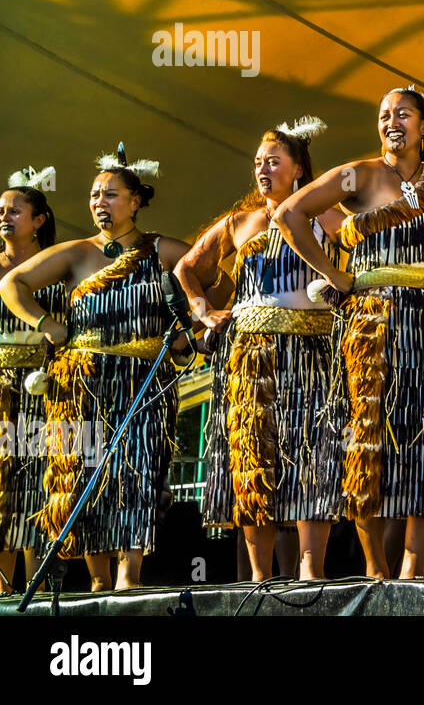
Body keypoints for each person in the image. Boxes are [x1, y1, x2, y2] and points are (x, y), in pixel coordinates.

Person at [275, 90, 424, 580]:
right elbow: (290, 215)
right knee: (366, 438)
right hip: (371, 322)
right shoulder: (360, 175)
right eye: (384, 115)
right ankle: (376, 567)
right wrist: (336, 275)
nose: (393, 122)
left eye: (404, 114)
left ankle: (413, 566)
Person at [0, 146, 191, 591]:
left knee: (137, 473)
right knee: (88, 477)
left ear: (136, 200)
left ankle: (129, 577)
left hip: (143, 382)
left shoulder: (162, 250)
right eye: (94, 195)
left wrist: (187, 332)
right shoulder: (76, 253)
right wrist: (46, 323)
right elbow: (14, 284)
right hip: (83, 386)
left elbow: (212, 277)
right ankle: (99, 580)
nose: (99, 202)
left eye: (110, 194)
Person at [174, 117, 345, 581]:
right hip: (249, 352)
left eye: (273, 160)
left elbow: (365, 251)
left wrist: (343, 287)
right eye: (257, 162)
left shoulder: (326, 214)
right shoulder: (238, 222)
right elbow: (187, 267)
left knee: (312, 450)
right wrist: (203, 310)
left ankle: (313, 571)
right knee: (253, 454)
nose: (262, 168)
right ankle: (258, 576)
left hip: (311, 348)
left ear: (298, 169)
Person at [0, 167, 65, 593]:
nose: (4, 216)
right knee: (2, 486)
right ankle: (3, 590)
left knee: (41, 483)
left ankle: (39, 593)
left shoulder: (61, 263)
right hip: (1, 386)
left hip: (48, 385)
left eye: (15, 210)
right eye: (0, 210)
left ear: (39, 219)